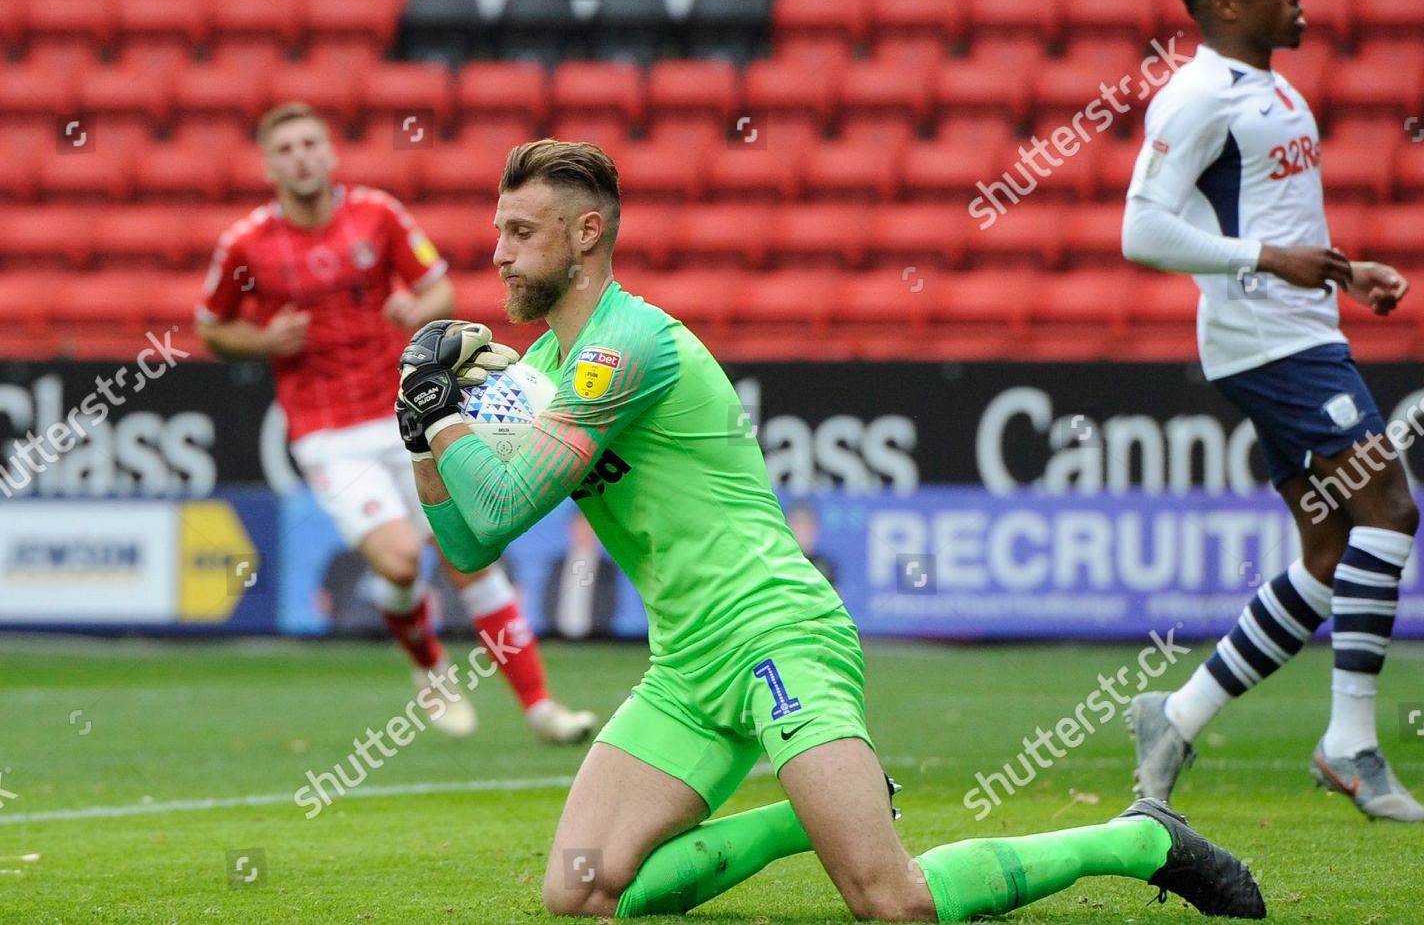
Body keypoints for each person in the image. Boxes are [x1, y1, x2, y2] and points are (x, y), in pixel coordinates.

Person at [397, 139, 1265, 920]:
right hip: (686, 667)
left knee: (892, 902)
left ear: (587, 233)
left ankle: (1138, 840)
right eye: (499, 232)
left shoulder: (627, 343)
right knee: (579, 891)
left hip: (776, 632)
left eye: (519, 231)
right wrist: (422, 443)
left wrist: (445, 421)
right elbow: (474, 545)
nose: (498, 254)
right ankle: (810, 815)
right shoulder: (541, 371)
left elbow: (505, 503)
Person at [1120, 0, 1424, 821]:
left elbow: (1278, 223)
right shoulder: (1197, 93)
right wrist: (1267, 261)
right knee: (1392, 509)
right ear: (1225, 4)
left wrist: (1341, 270)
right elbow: (1141, 230)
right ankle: (1350, 743)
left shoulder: (1274, 88)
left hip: (1300, 325)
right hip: (1269, 341)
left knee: (1329, 558)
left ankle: (1175, 716)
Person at [196, 102, 595, 745]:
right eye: (286, 148)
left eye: (310, 144)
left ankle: (541, 707)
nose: (300, 157)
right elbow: (212, 327)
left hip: (406, 411)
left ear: (329, 153)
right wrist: (267, 339)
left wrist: (414, 305)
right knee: (404, 563)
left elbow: (437, 288)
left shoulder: (378, 216)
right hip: (326, 433)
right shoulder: (246, 244)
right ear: (270, 165)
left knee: (469, 553)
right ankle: (431, 670)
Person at [541, 511, 620, 640]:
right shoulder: (557, 563)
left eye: (587, 527)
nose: (582, 531)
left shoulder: (607, 567)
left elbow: (611, 602)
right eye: (578, 526)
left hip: (596, 639)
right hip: (558, 637)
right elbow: (548, 598)